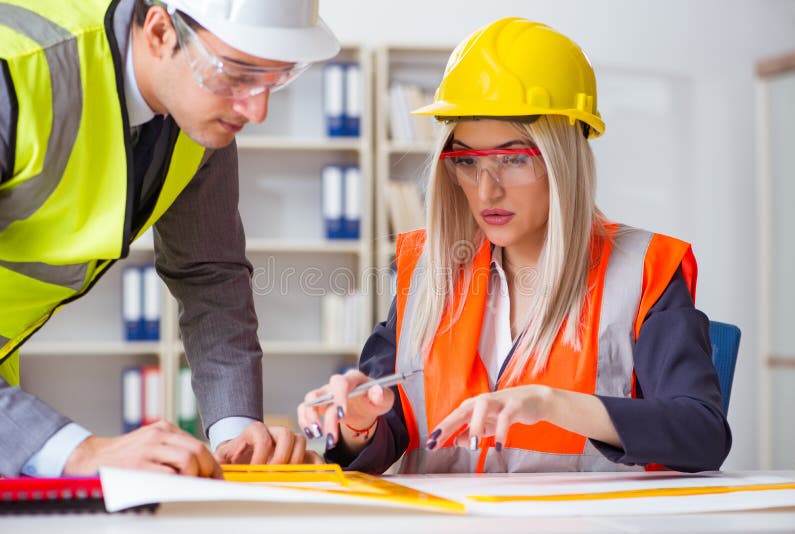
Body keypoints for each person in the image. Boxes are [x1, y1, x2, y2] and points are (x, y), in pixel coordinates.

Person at [298, 17, 732, 474]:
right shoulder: (424, 271)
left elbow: (702, 433)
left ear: (563, 159)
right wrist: (358, 426)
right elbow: (388, 429)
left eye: (513, 158)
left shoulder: (646, 269)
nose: (486, 191)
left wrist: (551, 402)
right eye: (466, 161)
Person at [0, 0, 339, 478]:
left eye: (273, 79)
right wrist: (82, 452)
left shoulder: (199, 117)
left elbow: (211, 277)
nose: (256, 110)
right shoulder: (14, 71)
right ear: (160, 31)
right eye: (237, 73)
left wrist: (236, 435)